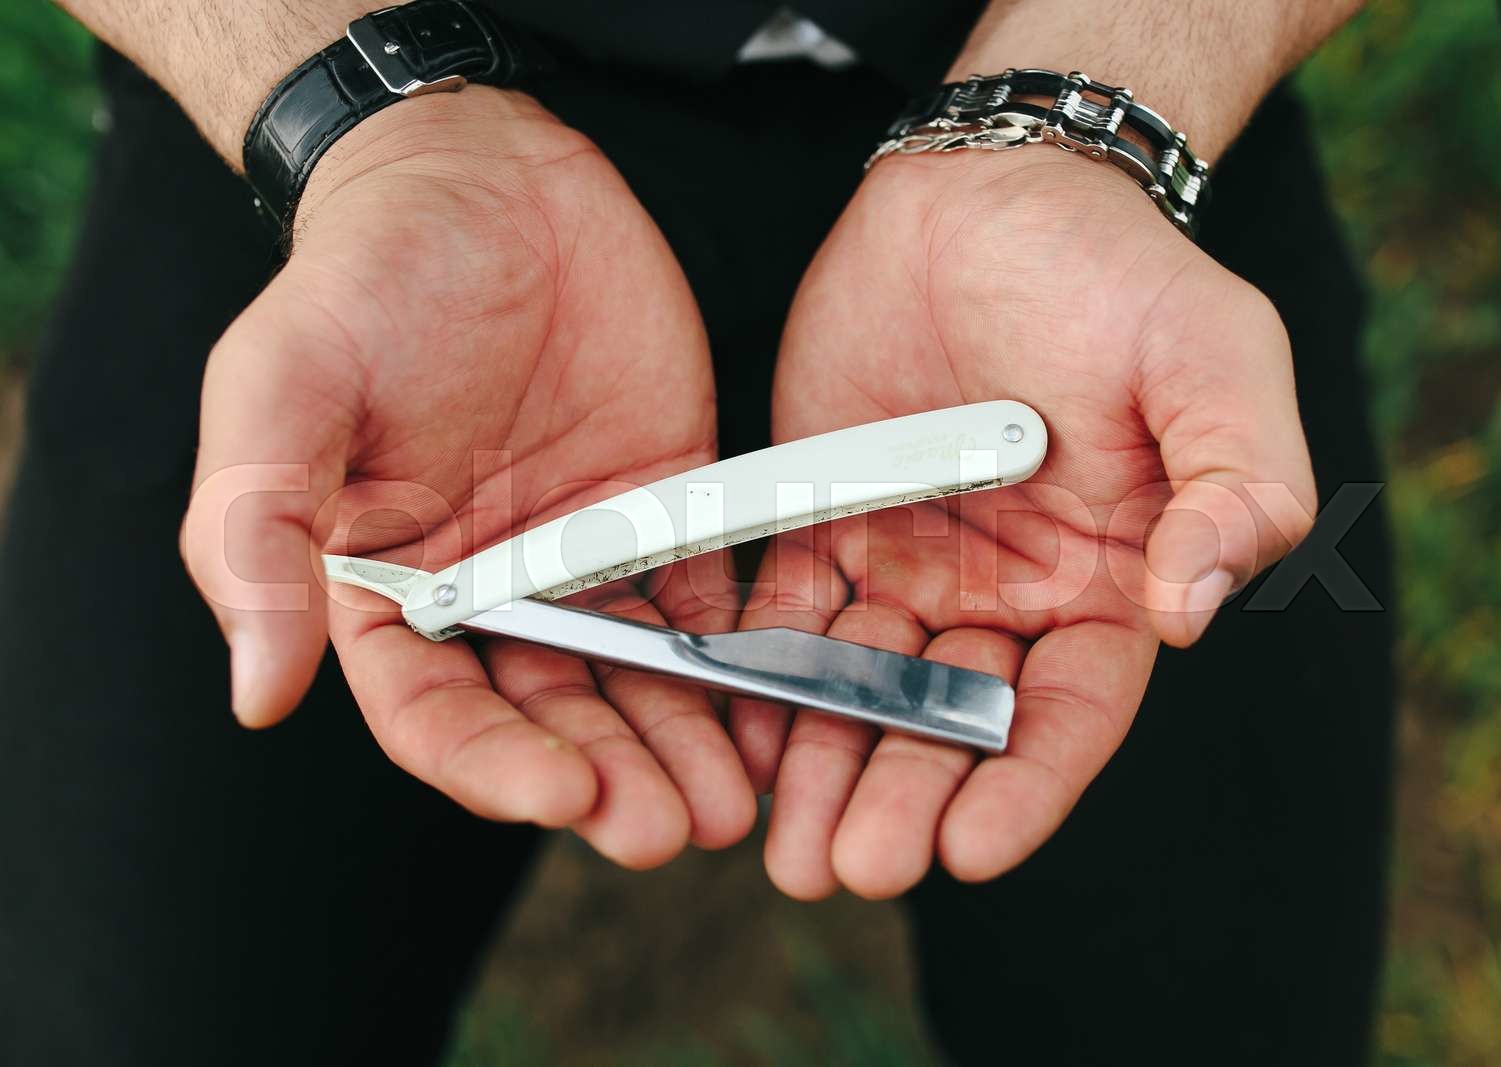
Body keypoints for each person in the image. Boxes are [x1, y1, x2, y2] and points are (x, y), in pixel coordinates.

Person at [1, 0, 1395, 1062]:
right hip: (363, 172)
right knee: (125, 1021)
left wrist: (1112, 87)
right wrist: (353, 110)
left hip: (1102, 148)